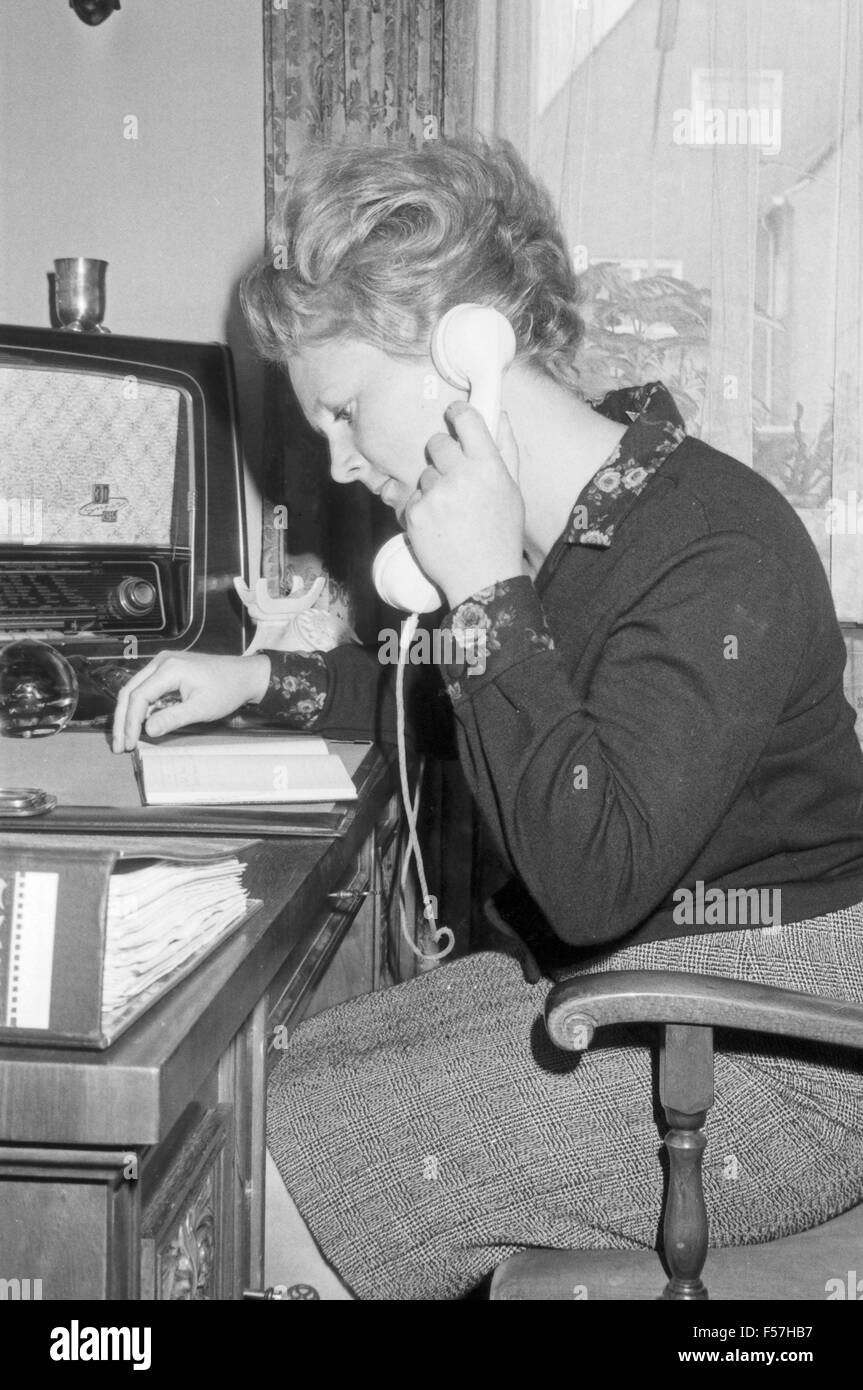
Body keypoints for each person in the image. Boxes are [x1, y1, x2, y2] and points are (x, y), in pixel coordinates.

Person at [112, 136, 863, 1301]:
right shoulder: (571, 530)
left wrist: (486, 596)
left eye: (347, 410)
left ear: (467, 344)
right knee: (257, 1086)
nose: (340, 460)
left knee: (264, 1176)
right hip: (641, 983)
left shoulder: (717, 551)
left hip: (777, 1045)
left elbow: (592, 877)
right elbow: (471, 709)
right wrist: (266, 683)